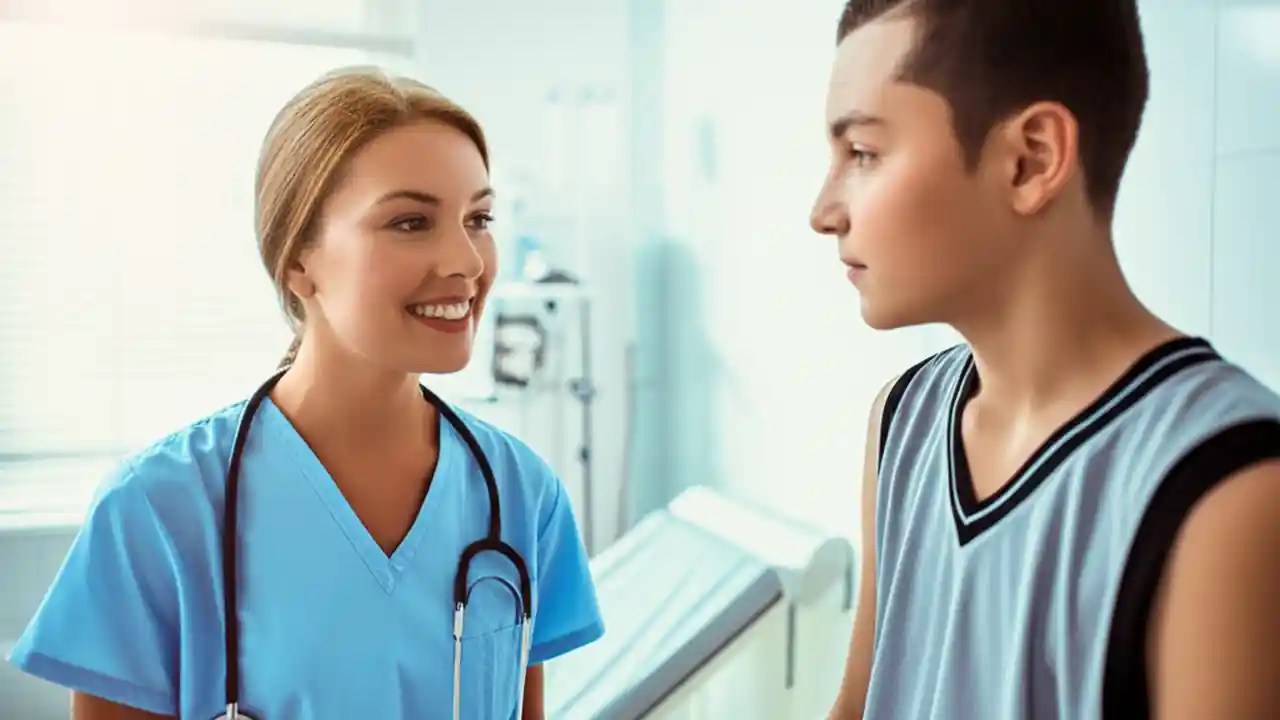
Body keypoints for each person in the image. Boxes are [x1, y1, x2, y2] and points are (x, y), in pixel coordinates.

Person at [7, 66, 604, 720]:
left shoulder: (518, 494)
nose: (466, 260)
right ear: (298, 259)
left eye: (478, 218)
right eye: (410, 222)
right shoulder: (157, 509)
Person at [811, 2, 1280, 719]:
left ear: (1032, 159)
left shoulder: (1232, 484)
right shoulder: (900, 423)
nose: (824, 210)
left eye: (864, 154)